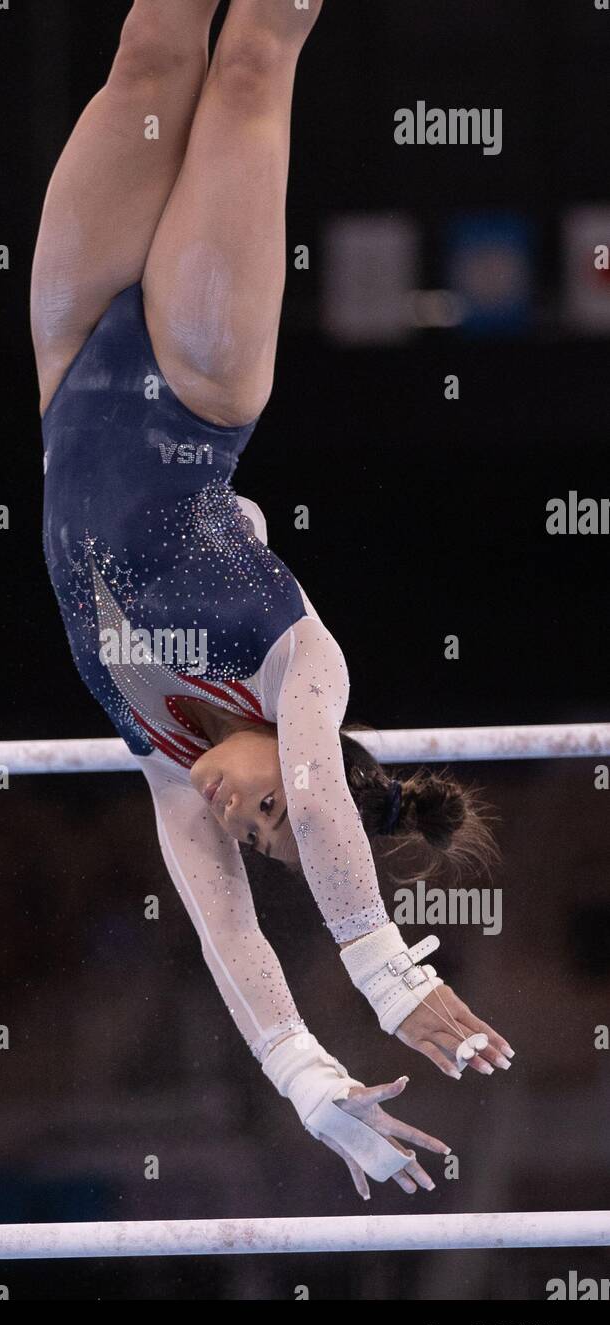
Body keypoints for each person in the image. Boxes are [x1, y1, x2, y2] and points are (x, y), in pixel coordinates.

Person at [33, 0, 512, 1197]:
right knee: (250, 64)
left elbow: (228, 929)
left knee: (150, 51)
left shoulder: (159, 756)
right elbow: (312, 788)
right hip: (197, 381)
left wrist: (307, 1078)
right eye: (260, 815)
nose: (231, 812)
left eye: (244, 833)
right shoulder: (305, 670)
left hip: (69, 354)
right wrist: (390, 977)